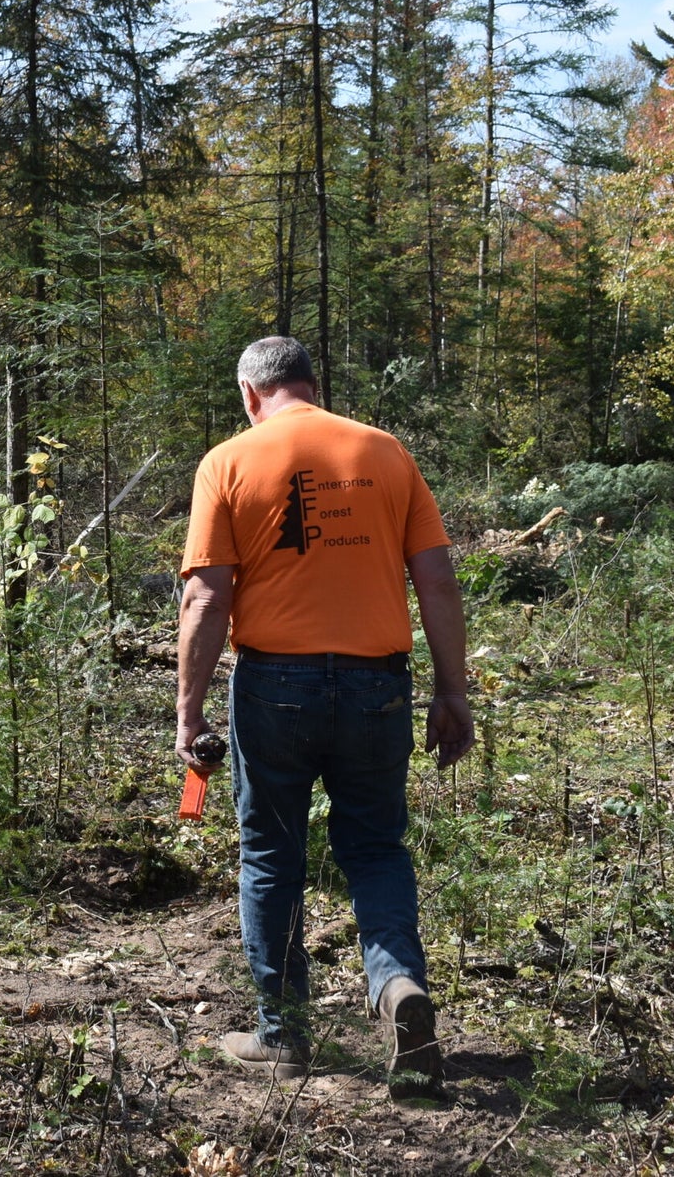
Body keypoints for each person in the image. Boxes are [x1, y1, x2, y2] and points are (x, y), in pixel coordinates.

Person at [176, 336, 475, 1093]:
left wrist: (189, 712)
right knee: (375, 849)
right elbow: (436, 578)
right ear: (312, 386)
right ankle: (397, 987)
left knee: (273, 857)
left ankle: (283, 1037)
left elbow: (207, 596)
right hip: (378, 685)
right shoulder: (385, 452)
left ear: (252, 395)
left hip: (274, 684)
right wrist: (451, 691)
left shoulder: (230, 461)